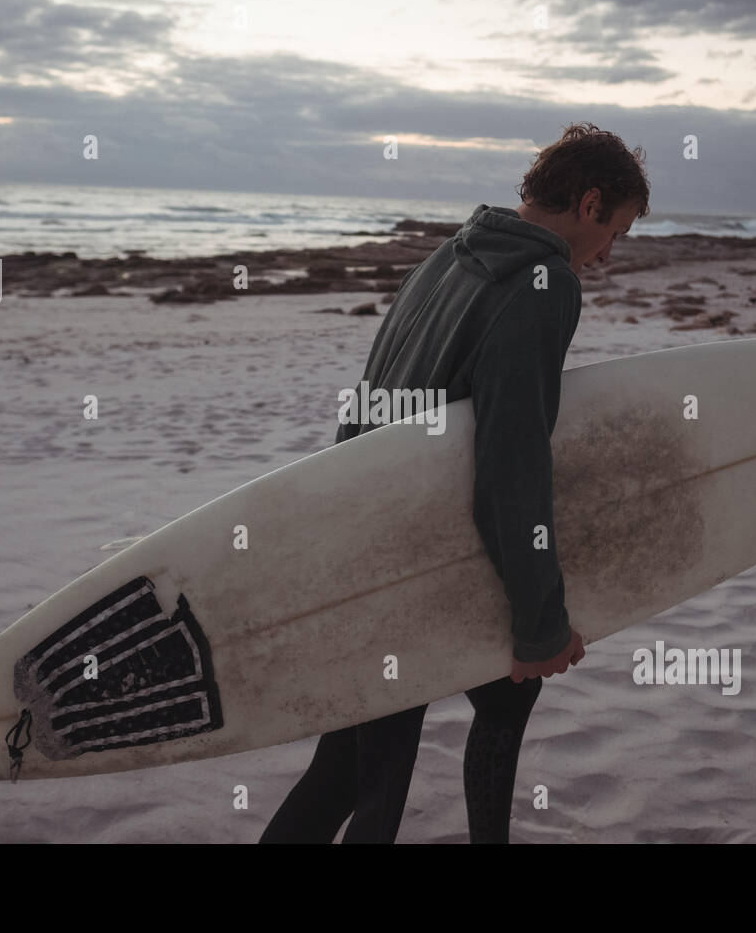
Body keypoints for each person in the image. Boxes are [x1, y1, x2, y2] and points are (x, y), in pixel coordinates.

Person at [260, 122, 650, 844]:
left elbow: (371, 396)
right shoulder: (544, 281)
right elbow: (512, 459)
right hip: (420, 560)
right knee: (370, 778)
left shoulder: (447, 256)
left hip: (368, 530)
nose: (609, 254)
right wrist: (540, 623)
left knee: (437, 729)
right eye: (616, 230)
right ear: (590, 201)